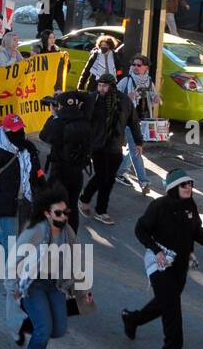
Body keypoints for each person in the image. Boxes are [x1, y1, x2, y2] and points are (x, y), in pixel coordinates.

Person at [122, 169, 203, 349]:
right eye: (184, 185)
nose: (188, 187)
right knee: (172, 309)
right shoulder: (159, 206)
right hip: (160, 263)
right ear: (173, 187)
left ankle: (132, 319)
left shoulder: (190, 205)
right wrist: (156, 251)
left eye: (190, 184)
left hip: (180, 265)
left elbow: (196, 229)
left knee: (164, 303)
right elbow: (141, 230)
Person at [13, 185, 92, 349]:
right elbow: (15, 259)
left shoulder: (68, 233)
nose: (64, 217)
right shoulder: (35, 231)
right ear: (47, 213)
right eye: (58, 213)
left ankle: (30, 324)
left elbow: (76, 262)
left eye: (66, 212)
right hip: (34, 285)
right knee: (44, 331)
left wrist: (82, 292)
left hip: (56, 284)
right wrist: (12, 287)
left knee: (58, 330)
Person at [0, 112, 44, 263]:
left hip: (26, 199)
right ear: (6, 131)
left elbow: (37, 172)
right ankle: (10, 275)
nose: (20, 134)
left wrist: (46, 193)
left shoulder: (28, 148)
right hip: (3, 199)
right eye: (15, 131)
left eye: (21, 129)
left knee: (17, 235)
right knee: (11, 240)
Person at [78, 73, 140, 226]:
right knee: (101, 176)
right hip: (97, 145)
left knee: (109, 179)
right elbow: (82, 119)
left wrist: (139, 142)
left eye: (104, 86)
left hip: (115, 145)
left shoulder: (124, 101)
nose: (101, 88)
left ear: (112, 86)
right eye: (99, 85)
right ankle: (86, 200)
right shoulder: (93, 99)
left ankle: (100, 211)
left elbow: (133, 122)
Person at [40, 91, 93, 231]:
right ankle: (72, 237)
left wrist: (54, 116)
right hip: (77, 173)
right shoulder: (85, 120)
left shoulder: (57, 123)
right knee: (72, 207)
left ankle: (55, 237)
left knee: (54, 206)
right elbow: (88, 97)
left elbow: (43, 136)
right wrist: (71, 98)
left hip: (59, 173)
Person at [116, 55, 160, 194]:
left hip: (144, 119)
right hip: (129, 120)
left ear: (146, 67)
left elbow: (153, 96)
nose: (135, 67)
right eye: (134, 64)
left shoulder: (149, 81)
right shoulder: (126, 80)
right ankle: (144, 182)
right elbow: (114, 94)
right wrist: (126, 97)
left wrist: (156, 98)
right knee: (136, 149)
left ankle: (119, 171)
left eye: (139, 65)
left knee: (133, 147)